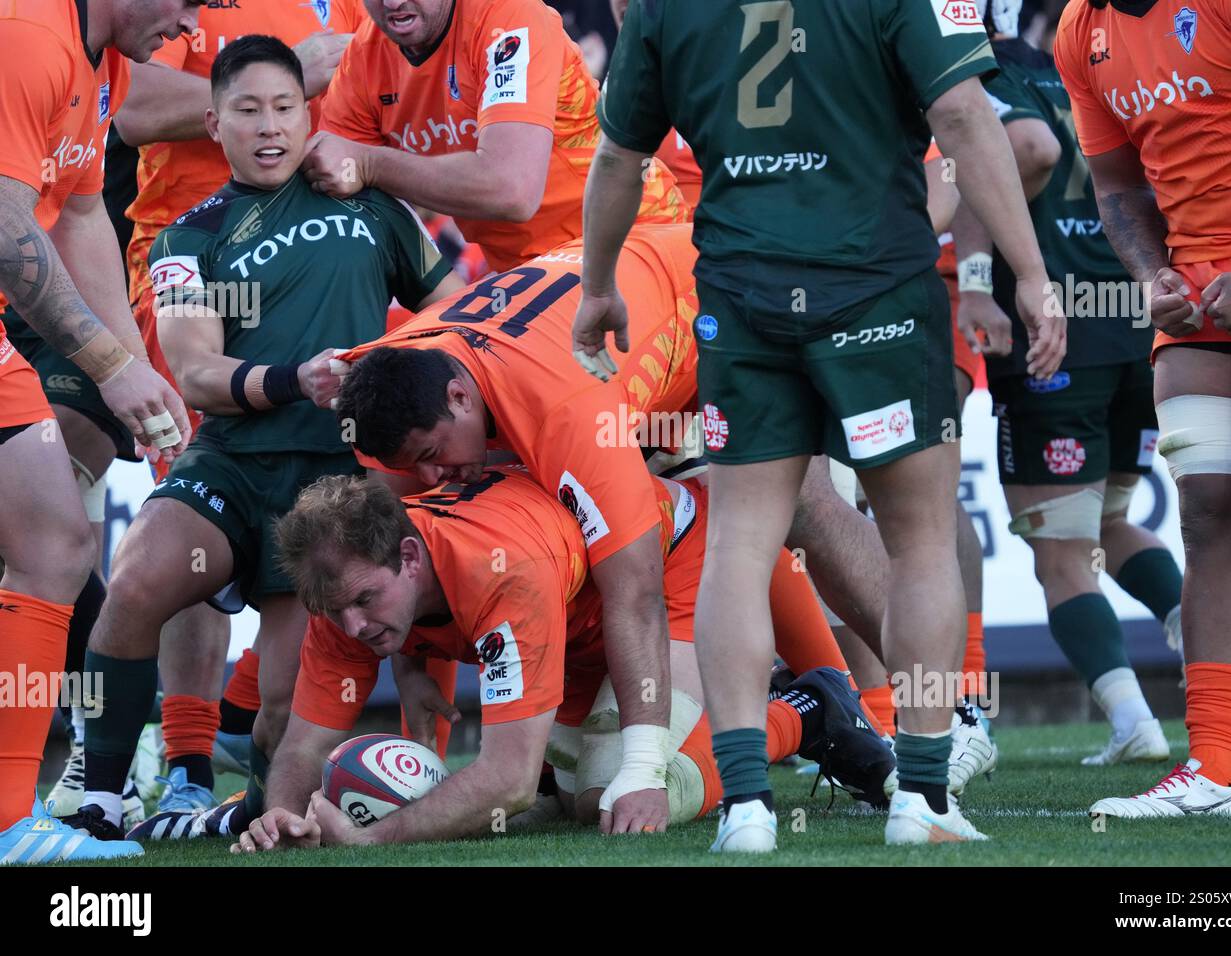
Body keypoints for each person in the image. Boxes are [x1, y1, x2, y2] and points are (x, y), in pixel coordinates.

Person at [579, 0, 1066, 849]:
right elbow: (961, 115)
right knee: (918, 541)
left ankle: (745, 809)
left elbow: (619, 154)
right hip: (874, 289)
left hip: (741, 296)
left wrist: (597, 285)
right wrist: (1028, 272)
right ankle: (921, 799)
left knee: (740, 544)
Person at [57, 35, 453, 843]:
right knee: (134, 585)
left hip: (334, 486)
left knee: (281, 700)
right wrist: (290, 379)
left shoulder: (372, 207)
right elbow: (196, 370)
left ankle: (247, 816)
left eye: (285, 108)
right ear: (214, 122)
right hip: (232, 463)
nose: (269, 126)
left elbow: (458, 312)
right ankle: (100, 798)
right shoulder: (187, 237)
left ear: (309, 114)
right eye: (248, 110)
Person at [231, 469, 892, 850]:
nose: (353, 626)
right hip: (578, 625)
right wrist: (285, 815)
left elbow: (506, 778)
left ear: (408, 558)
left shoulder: (495, 570)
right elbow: (302, 747)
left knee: (630, 800)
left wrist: (376, 839)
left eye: (365, 602)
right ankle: (595, 764)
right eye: (335, 611)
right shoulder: (345, 591)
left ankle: (809, 711)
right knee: (570, 804)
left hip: (671, 572)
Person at [334, 222, 699, 834]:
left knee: (788, 501)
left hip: (705, 299)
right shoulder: (396, 385)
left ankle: (832, 706)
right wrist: (414, 671)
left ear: (459, 396)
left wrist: (644, 767)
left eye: (432, 451)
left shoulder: (568, 414)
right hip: (595, 322)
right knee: (578, 796)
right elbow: (401, 554)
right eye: (407, 464)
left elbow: (635, 594)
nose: (430, 476)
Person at [1055, 0, 1231, 818]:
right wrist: (1149, 274)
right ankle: (1220, 773)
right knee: (1210, 511)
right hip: (1202, 294)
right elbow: (1118, 184)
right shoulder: (1076, 33)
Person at [953, 0, 1183, 766]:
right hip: (1135, 324)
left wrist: (979, 277)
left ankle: (1133, 721)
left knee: (1061, 550)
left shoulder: (979, 75)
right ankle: (1202, 641)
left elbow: (1022, 150)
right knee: (1111, 525)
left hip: (1060, 336)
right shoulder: (1081, 64)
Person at [0, 0, 200, 865]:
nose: (190, 24)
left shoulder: (102, 61)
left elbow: (81, 221)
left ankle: (12, 820)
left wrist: (135, 376)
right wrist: (111, 366)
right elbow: (7, 231)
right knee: (51, 535)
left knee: (52, 535)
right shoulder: (28, 33)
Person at [302, 0, 688, 273]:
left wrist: (368, 164)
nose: (393, 1)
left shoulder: (509, 16)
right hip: (520, 274)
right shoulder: (363, 59)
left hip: (631, 245)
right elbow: (335, 186)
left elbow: (511, 190)